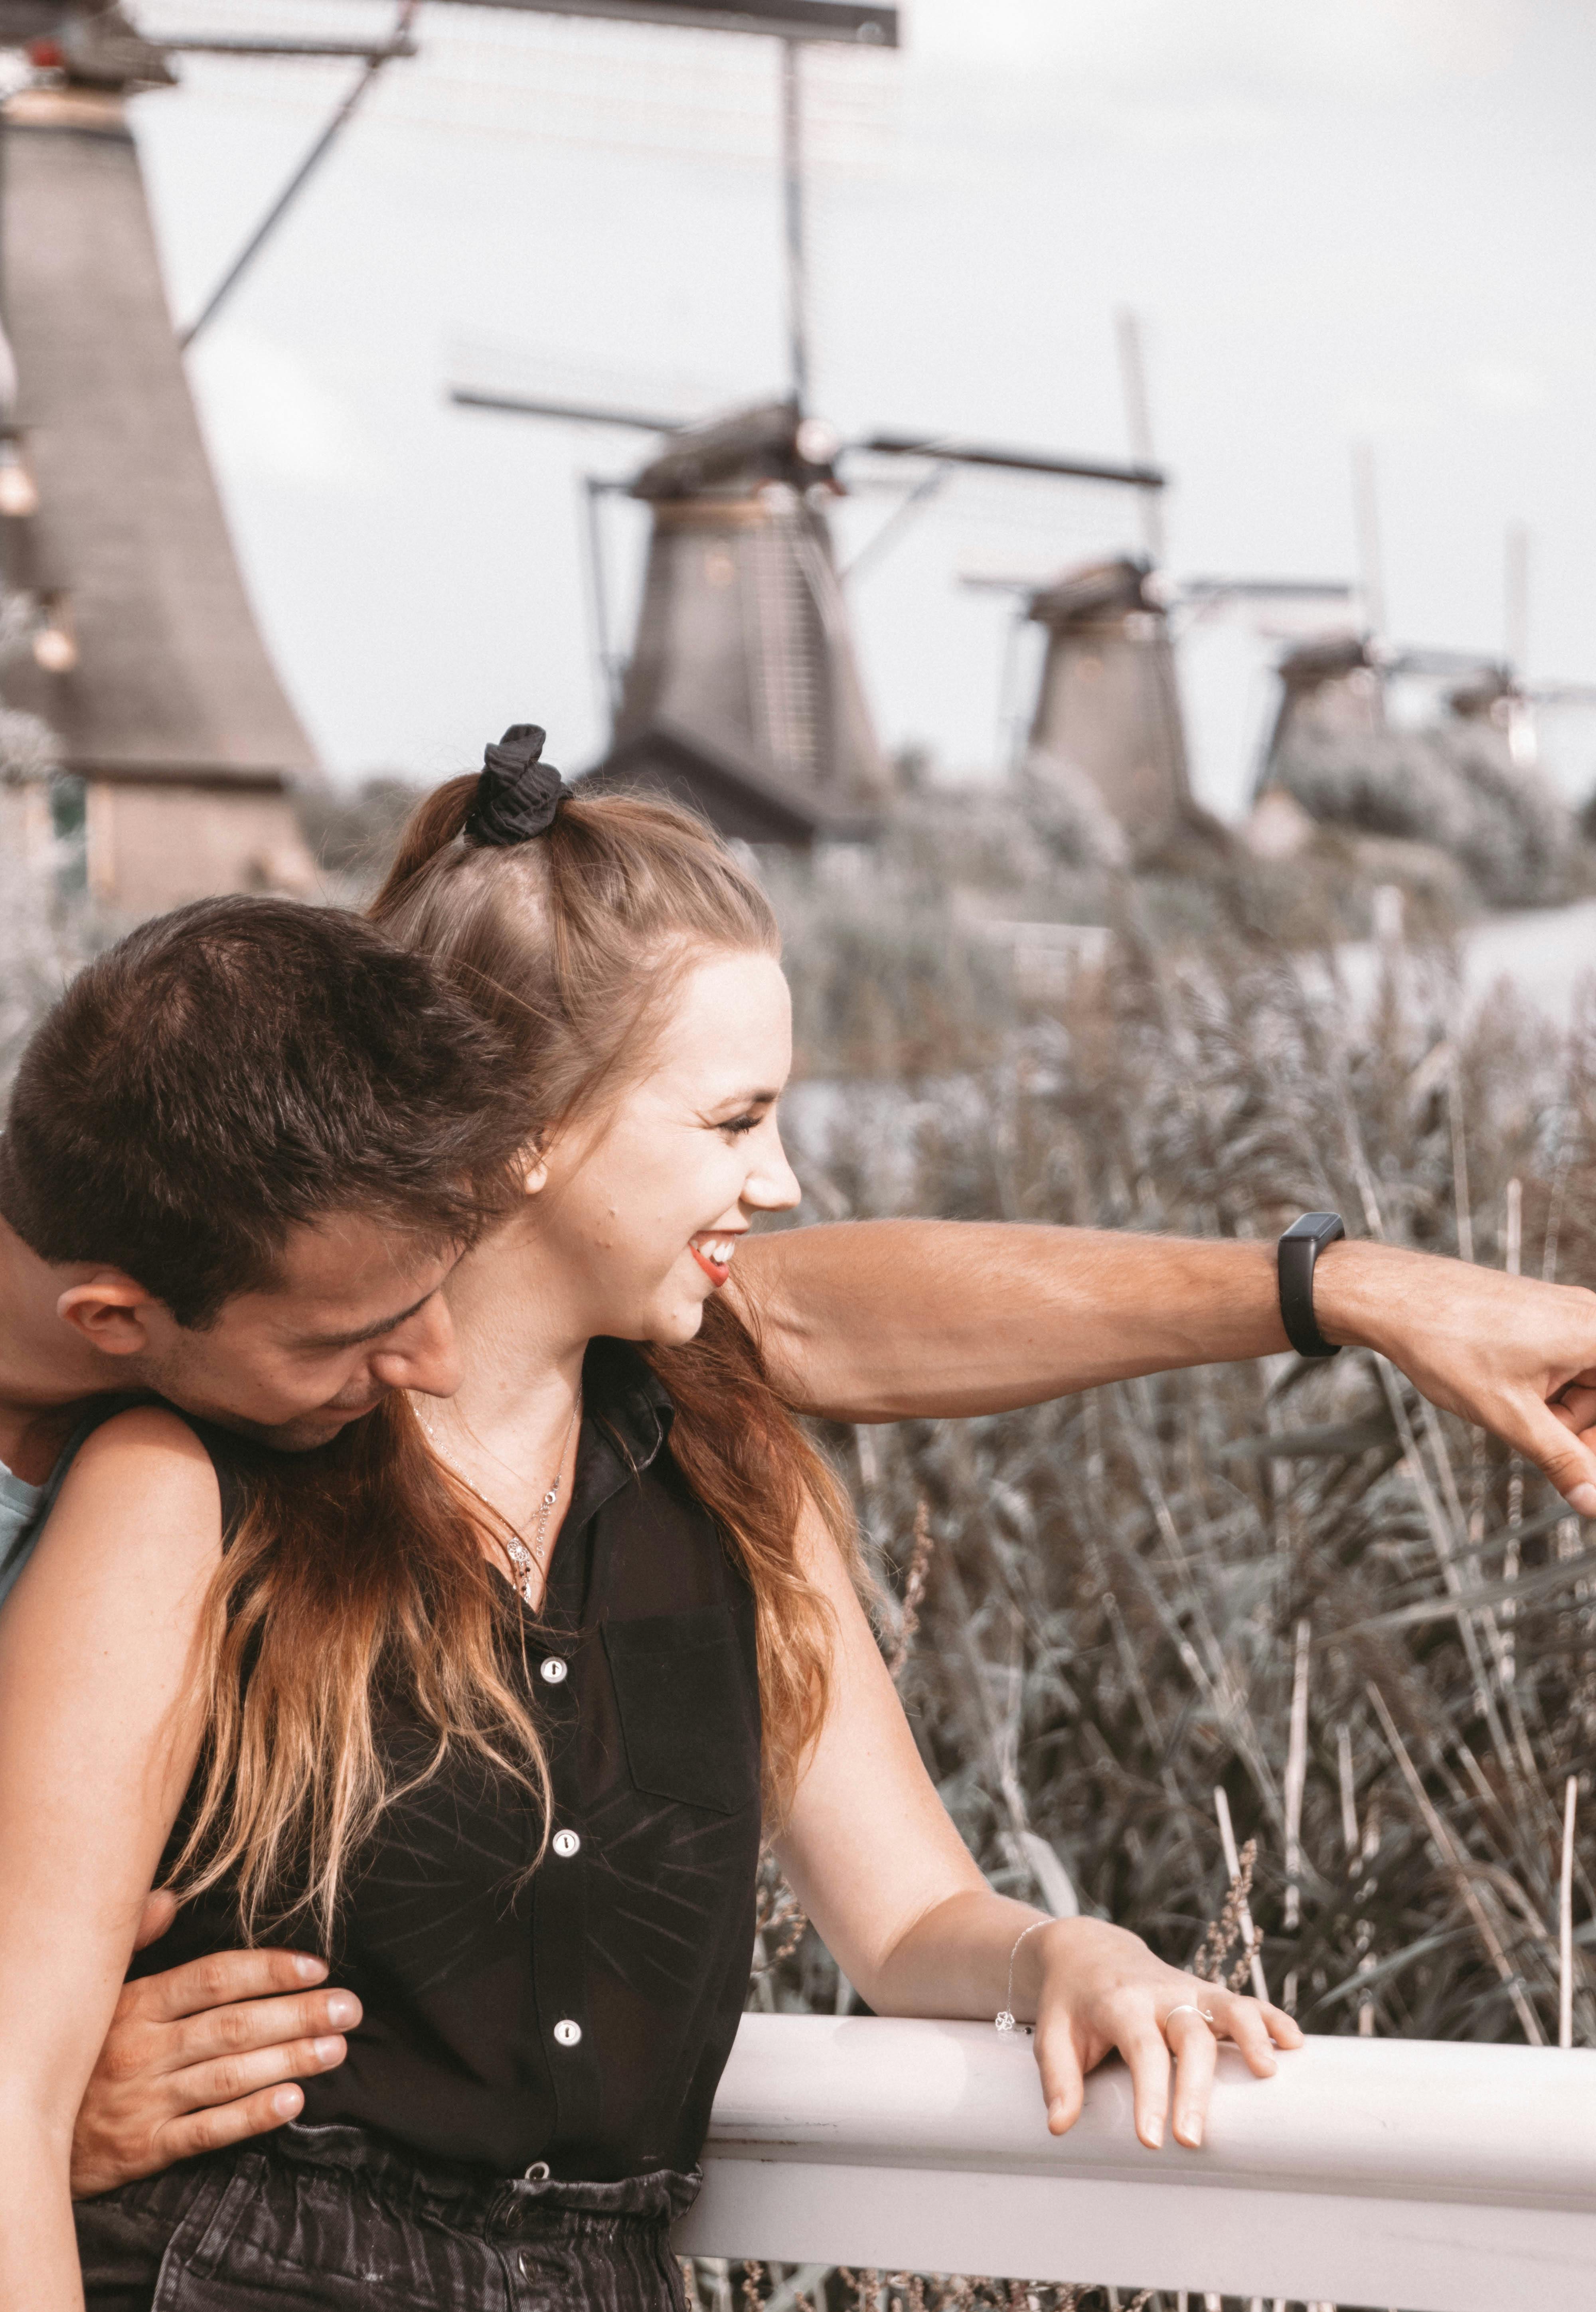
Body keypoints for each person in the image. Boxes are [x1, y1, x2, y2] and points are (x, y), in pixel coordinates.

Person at [5, 758, 1596, 2206]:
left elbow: (907, 1920)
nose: (780, 1177)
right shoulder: (188, 1471)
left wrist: (1070, 1952)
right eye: (734, 1119)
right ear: (532, 1135)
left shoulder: (714, 1448)